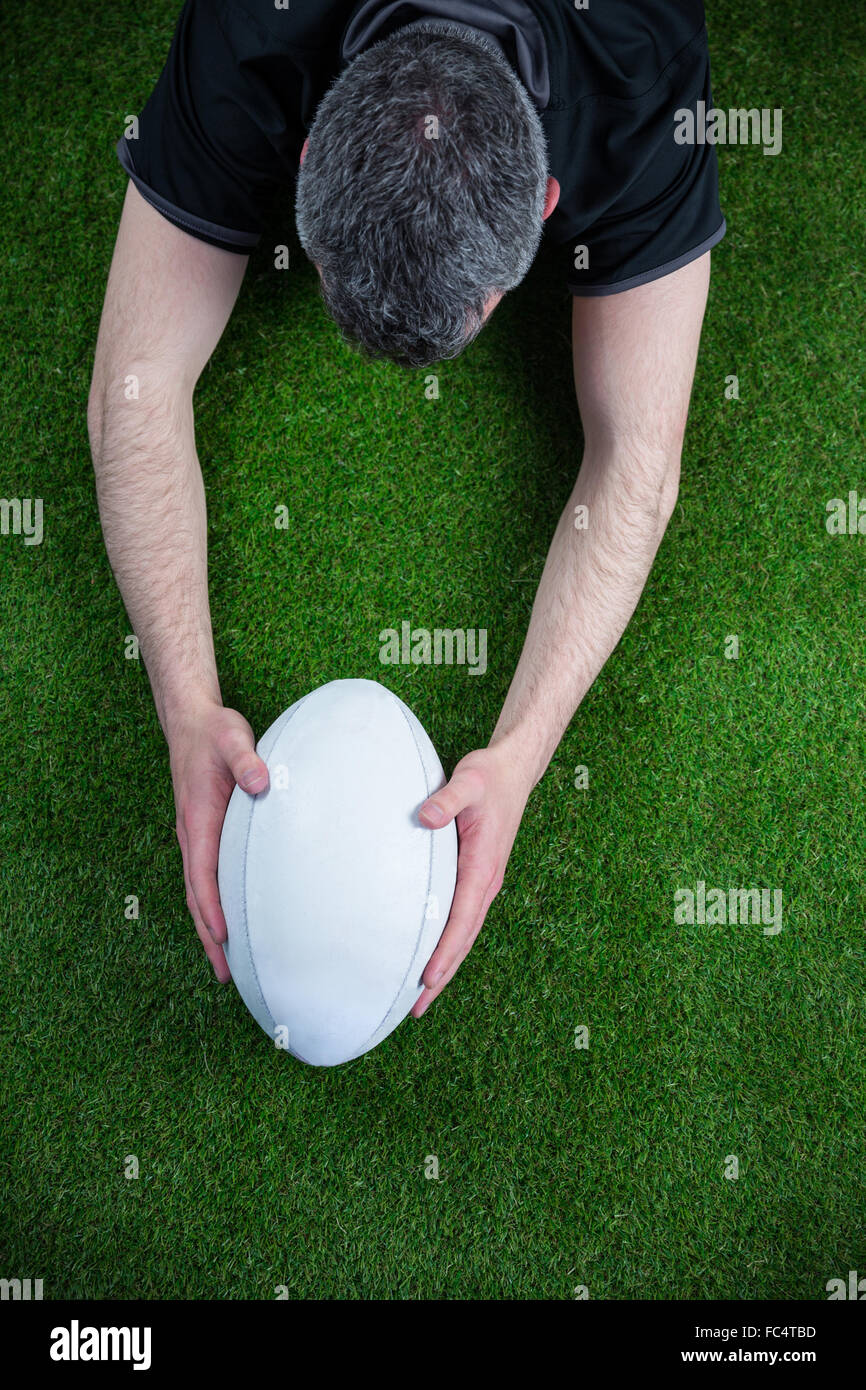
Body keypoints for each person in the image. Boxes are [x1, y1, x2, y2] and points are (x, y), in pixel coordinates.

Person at [88, 1, 725, 1019]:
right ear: (305, 161)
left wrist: (519, 758)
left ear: (549, 203)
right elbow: (134, 387)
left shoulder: (639, 74)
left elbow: (636, 462)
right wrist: (182, 704)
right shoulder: (245, 29)